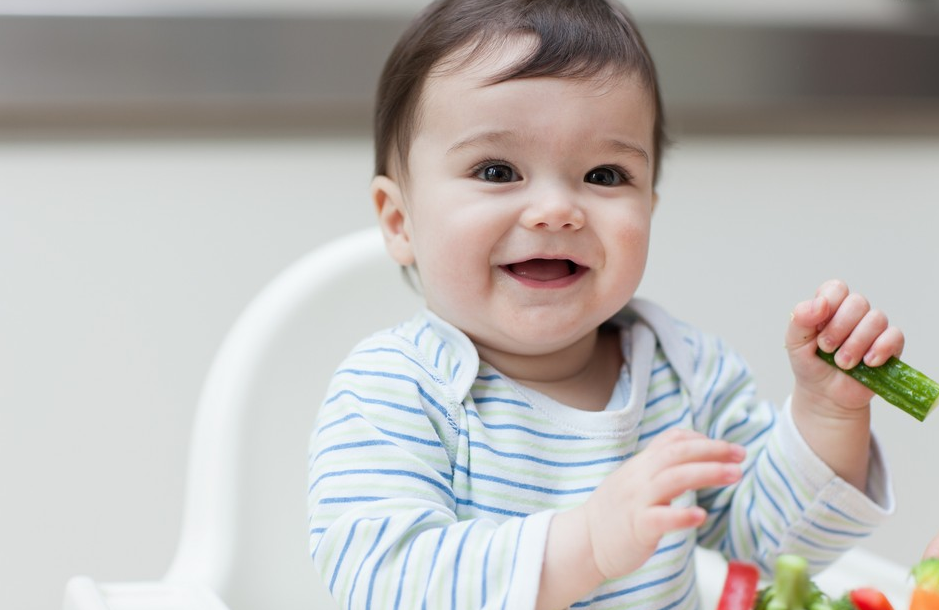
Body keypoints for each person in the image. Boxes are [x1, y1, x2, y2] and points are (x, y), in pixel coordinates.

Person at [306, 1, 900, 608]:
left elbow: (771, 550)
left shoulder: (687, 373)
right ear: (400, 220)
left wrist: (828, 416)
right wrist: (586, 543)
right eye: (496, 169)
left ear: (649, 208)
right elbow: (384, 580)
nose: (556, 209)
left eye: (605, 175)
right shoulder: (393, 390)